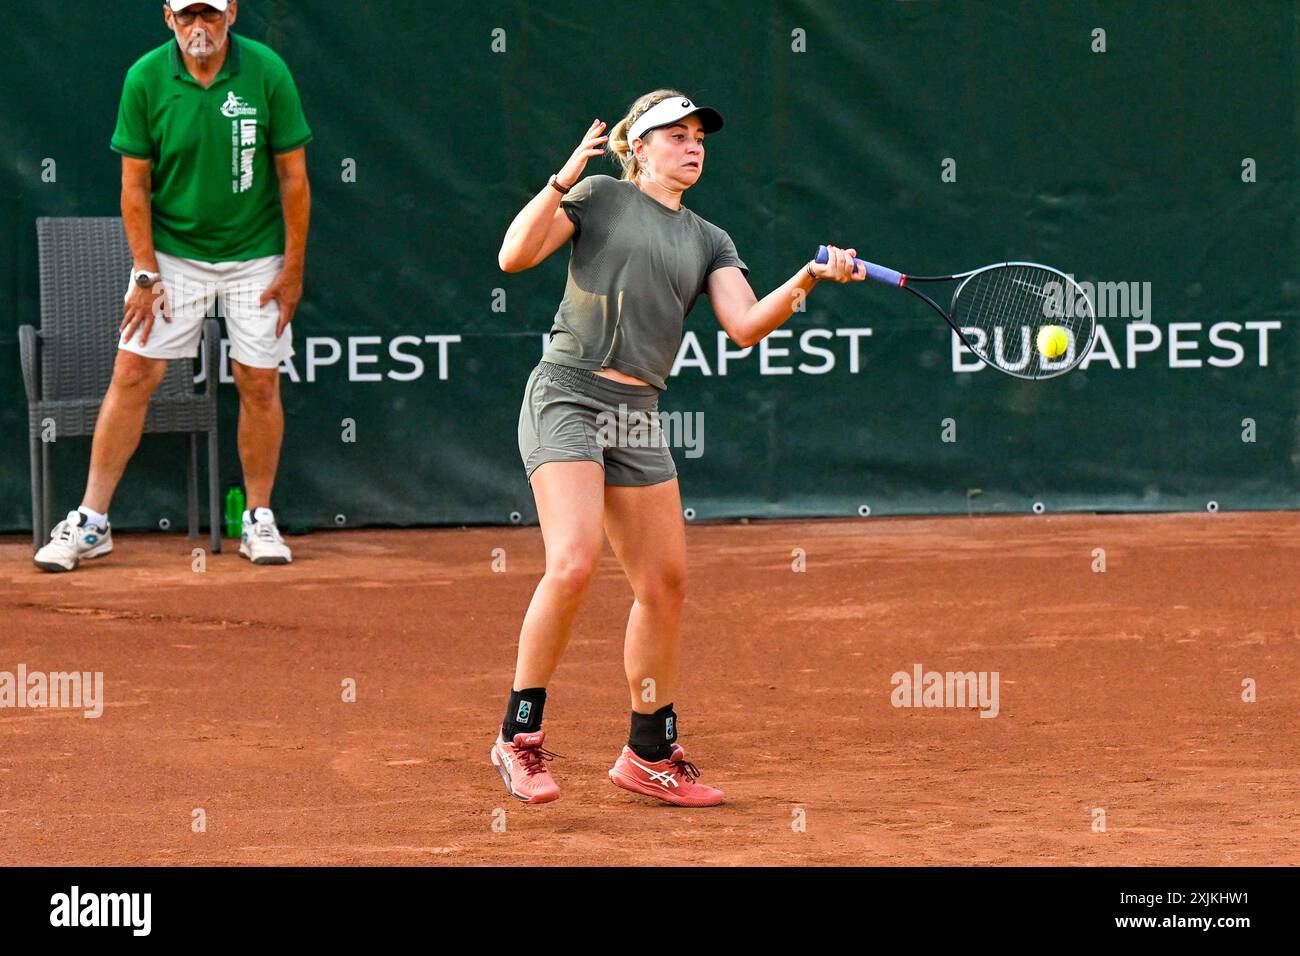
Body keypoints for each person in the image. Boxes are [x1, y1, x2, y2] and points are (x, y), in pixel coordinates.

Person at [493, 89, 865, 806]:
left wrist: (809, 277)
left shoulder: (709, 238)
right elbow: (513, 256)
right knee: (572, 563)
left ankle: (648, 752)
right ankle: (520, 737)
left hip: (637, 411)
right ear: (638, 145)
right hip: (568, 394)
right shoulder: (597, 194)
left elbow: (745, 323)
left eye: (699, 137)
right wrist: (561, 180)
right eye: (675, 135)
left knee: (664, 586)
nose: (692, 146)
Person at [34, 1, 311, 572]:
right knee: (134, 371)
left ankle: (258, 517)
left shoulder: (268, 72)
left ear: (231, 13)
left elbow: (293, 176)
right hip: (171, 258)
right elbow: (134, 187)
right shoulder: (144, 77)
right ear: (168, 18)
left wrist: (292, 269)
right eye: (187, 17)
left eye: (209, 14)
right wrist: (144, 272)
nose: (198, 28)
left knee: (258, 381)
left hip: (257, 255)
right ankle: (91, 520)